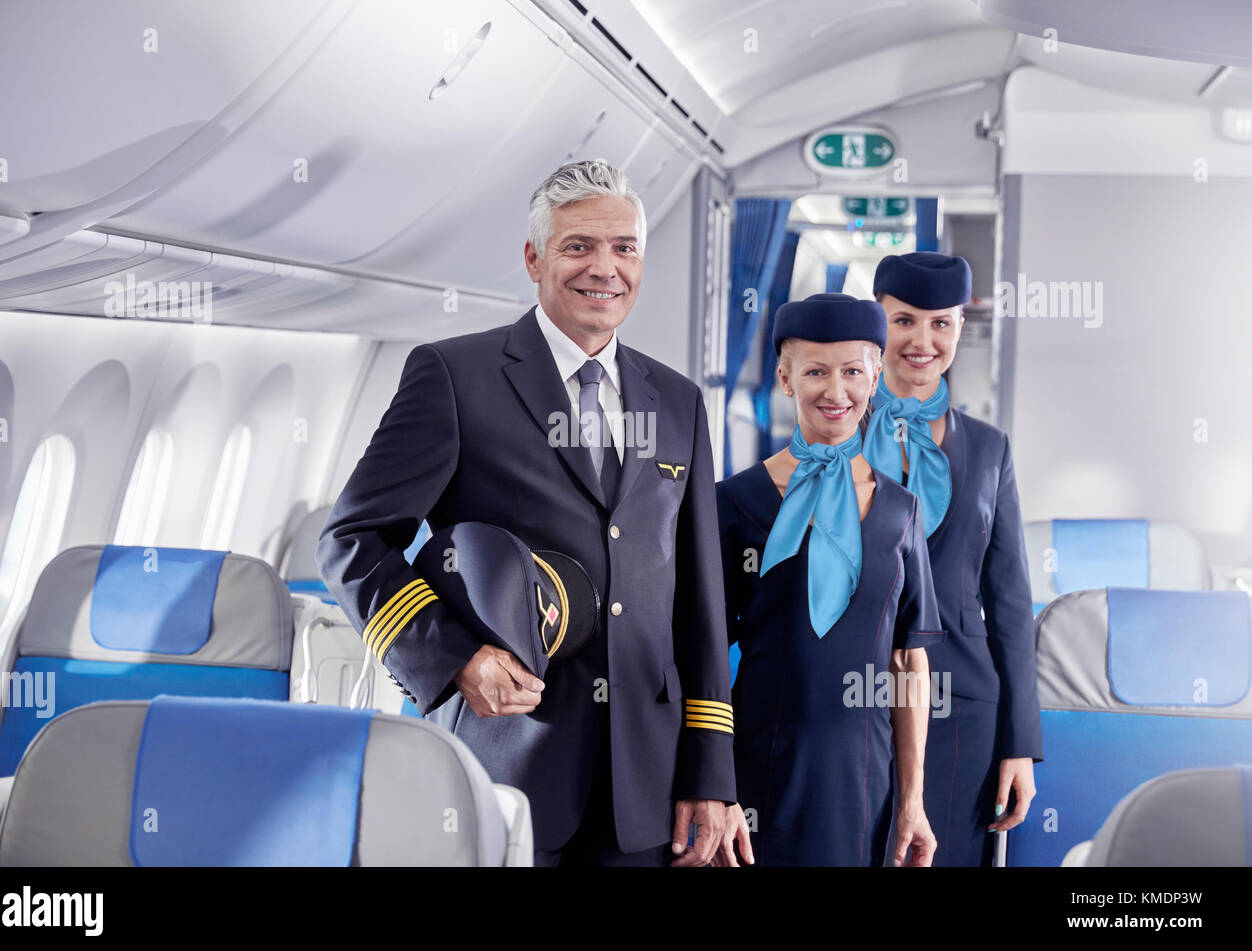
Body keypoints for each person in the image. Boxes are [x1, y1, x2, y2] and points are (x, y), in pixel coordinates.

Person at [316, 160, 735, 867]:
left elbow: (700, 605)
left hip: (648, 783)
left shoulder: (679, 402)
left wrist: (711, 775)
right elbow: (353, 540)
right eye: (578, 246)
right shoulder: (455, 377)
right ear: (534, 258)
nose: (605, 268)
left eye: (624, 248)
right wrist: (453, 662)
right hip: (508, 768)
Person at [714, 293, 943, 867]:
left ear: (874, 380)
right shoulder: (734, 502)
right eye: (815, 371)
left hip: (865, 780)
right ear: (786, 380)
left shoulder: (901, 512)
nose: (835, 392)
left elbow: (908, 662)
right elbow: (702, 656)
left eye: (852, 372)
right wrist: (710, 789)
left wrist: (912, 801)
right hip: (756, 770)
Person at [863, 251, 1042, 866]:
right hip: (850, 694)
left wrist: (1020, 743)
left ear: (960, 330)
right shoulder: (831, 433)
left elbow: (1012, 603)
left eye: (941, 323)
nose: (923, 340)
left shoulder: (990, 449)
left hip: (961, 710)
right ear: (877, 322)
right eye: (905, 320)